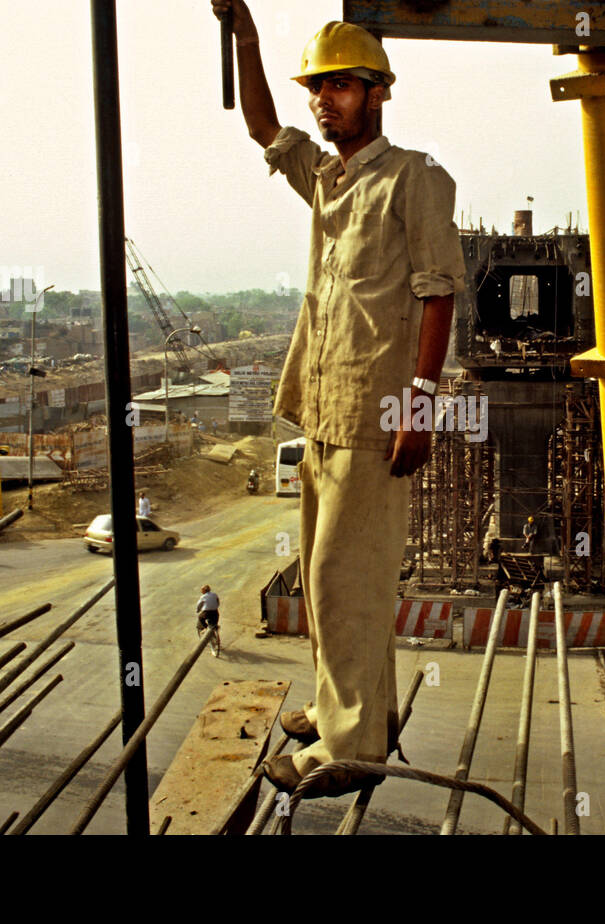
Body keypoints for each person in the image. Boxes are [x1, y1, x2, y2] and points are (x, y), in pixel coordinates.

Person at [215, 1, 464, 798]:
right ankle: (347, 711)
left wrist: (420, 408)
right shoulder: (327, 179)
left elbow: (438, 293)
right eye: (317, 89)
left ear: (378, 93)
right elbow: (263, 127)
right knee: (331, 585)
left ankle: (351, 752)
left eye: (342, 88)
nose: (324, 102)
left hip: (373, 418)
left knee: (342, 584)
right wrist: (243, 36)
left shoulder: (413, 179)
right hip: (321, 410)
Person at [195, 584, 221, 658]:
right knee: (214, 623)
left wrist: (197, 610)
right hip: (215, 612)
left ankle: (206, 628)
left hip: (207, 612)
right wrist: (215, 606)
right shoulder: (215, 594)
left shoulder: (203, 597)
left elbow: (199, 605)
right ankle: (214, 631)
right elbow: (218, 602)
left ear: (204, 591)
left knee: (200, 617)